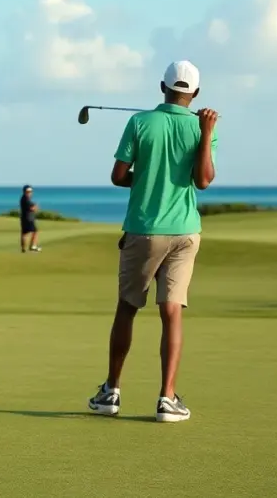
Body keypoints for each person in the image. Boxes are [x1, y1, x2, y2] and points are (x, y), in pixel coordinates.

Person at [87, 60, 218, 424]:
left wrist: (146, 179)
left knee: (127, 307)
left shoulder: (140, 122)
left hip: (144, 229)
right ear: (195, 93)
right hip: (185, 232)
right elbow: (203, 180)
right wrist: (205, 134)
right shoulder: (203, 126)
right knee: (171, 311)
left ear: (162, 88)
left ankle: (111, 392)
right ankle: (167, 398)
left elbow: (118, 176)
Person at [19, 185, 41, 252]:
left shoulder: (24, 198)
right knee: (35, 231)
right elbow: (32, 209)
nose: (30, 193)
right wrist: (36, 207)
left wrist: (34, 206)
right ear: (24, 191)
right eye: (28, 191)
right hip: (29, 218)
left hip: (24, 218)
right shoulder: (26, 199)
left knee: (24, 233)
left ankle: (23, 249)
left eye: (31, 191)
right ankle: (32, 246)